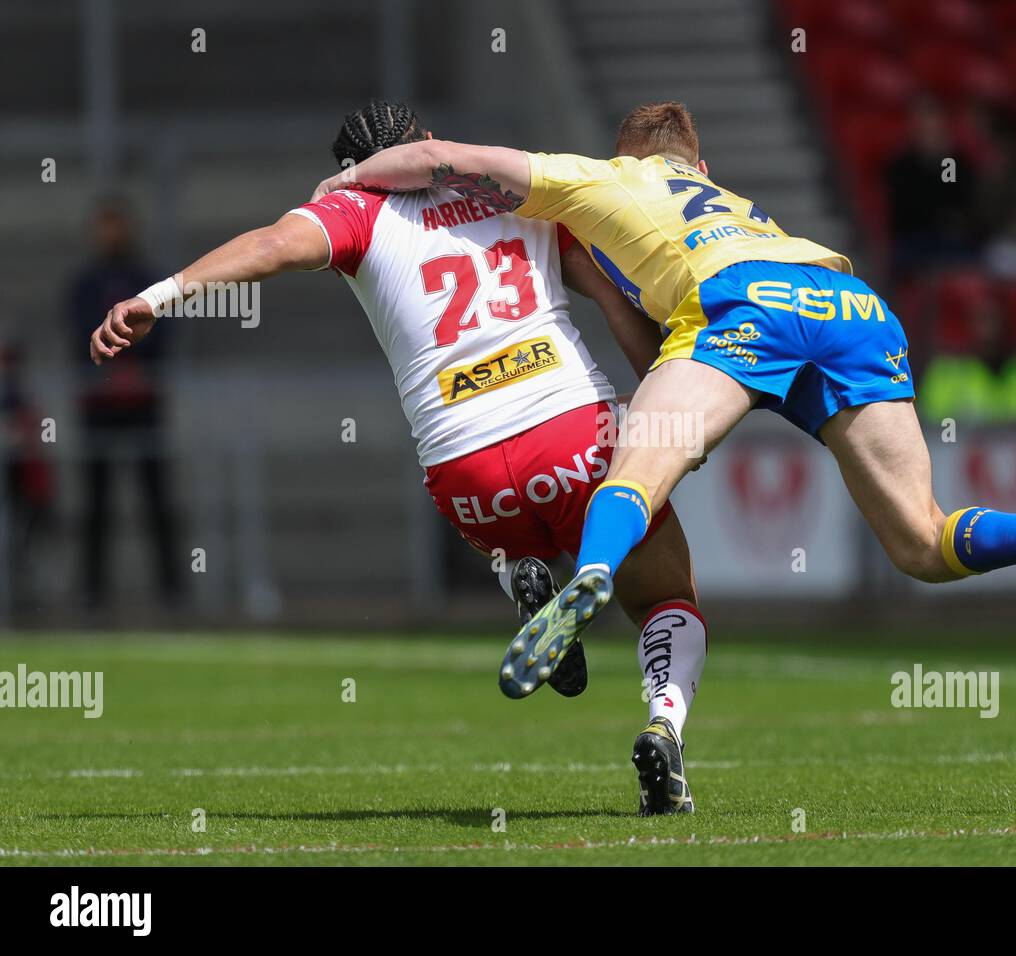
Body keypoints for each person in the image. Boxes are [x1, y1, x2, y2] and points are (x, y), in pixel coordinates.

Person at [307, 99, 1016, 712]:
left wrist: (344, 186)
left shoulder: (604, 180)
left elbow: (435, 160)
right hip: (852, 305)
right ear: (702, 165)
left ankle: (594, 574)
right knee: (921, 538)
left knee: (633, 470)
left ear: (627, 156)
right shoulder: (737, 203)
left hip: (743, 305)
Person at [89, 101, 707, 816]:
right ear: (421, 144)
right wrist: (672, 408)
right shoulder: (517, 188)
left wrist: (157, 297)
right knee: (666, 598)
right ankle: (664, 723)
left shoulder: (353, 211)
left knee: (507, 524)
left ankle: (517, 574)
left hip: (464, 470)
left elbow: (265, 248)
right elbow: (612, 299)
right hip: (575, 431)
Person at [67, 198, 181, 607]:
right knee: (96, 499)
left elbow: (164, 333)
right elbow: (78, 336)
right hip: (99, 406)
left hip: (142, 403)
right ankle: (92, 592)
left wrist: (136, 368)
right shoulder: (84, 283)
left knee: (156, 496)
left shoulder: (147, 279)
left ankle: (173, 590)